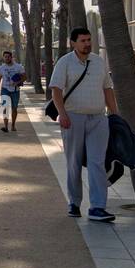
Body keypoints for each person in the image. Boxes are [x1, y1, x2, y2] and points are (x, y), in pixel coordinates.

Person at [49, 27, 119, 223]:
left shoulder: (98, 62)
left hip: (98, 119)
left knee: (97, 162)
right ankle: (74, 202)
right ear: (73, 43)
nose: (87, 44)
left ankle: (97, 207)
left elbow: (107, 89)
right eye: (83, 40)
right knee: (74, 162)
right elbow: (56, 90)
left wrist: (115, 114)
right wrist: (62, 114)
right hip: (73, 118)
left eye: (89, 40)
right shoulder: (64, 63)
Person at [0, 50, 26, 132]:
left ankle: (13, 125)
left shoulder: (18, 67)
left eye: (8, 57)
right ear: (3, 58)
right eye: (5, 57)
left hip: (15, 90)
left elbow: (25, 77)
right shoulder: (1, 68)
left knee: (14, 108)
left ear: (11, 57)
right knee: (5, 108)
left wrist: (17, 82)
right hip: (5, 90)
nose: (7, 58)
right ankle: (6, 127)